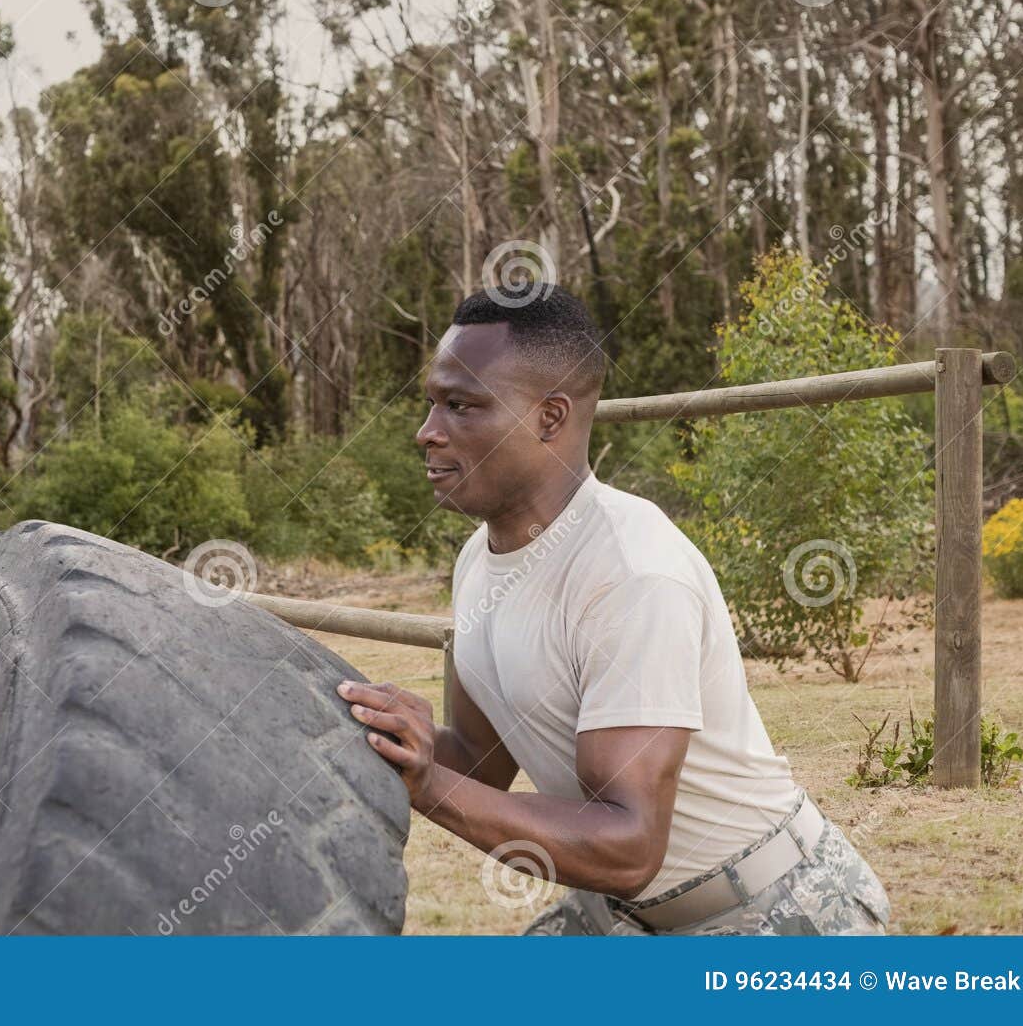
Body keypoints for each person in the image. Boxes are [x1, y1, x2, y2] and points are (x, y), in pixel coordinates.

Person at [336, 286, 892, 935]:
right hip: (620, 915)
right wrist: (366, 731)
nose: (427, 431)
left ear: (550, 417)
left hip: (774, 913)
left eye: (461, 405)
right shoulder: (475, 562)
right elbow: (479, 761)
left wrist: (432, 785)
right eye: (432, 402)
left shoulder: (632, 572)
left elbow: (629, 844)